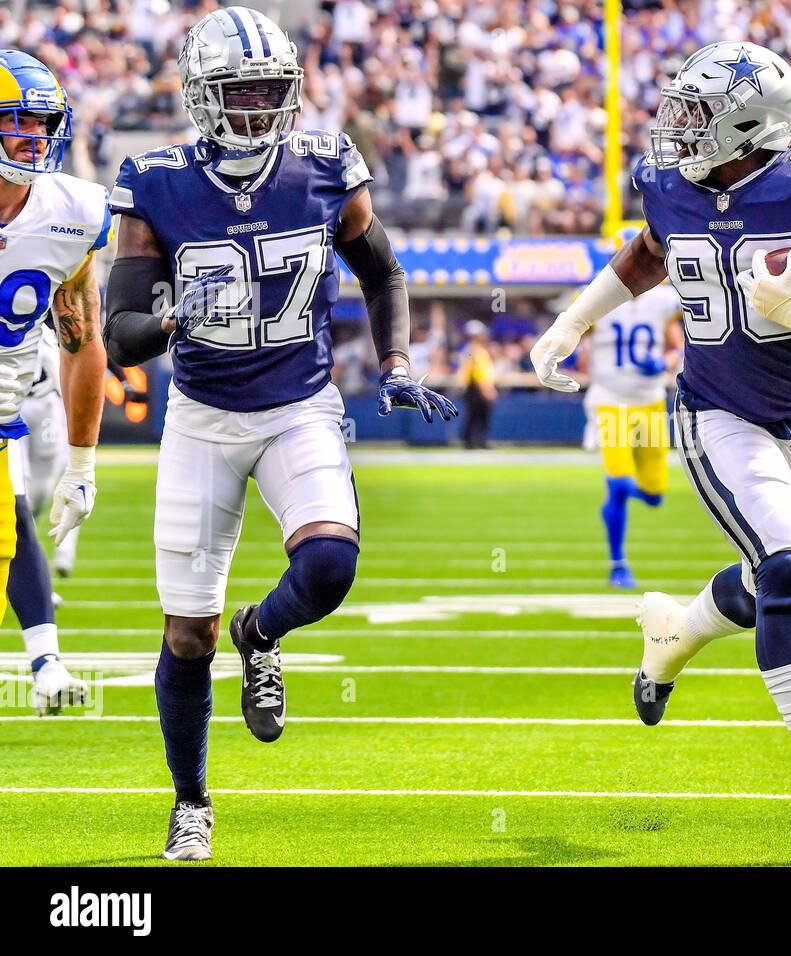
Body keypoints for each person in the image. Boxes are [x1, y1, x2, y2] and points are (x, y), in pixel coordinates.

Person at [530, 41, 791, 846]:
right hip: (719, 417)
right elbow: (648, 253)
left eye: (697, 114)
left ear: (748, 125)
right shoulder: (671, 187)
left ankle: (673, 633)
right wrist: (573, 320)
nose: (677, 128)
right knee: (784, 570)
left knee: (768, 584)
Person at [103, 7, 457, 861]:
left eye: (272, 89)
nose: (260, 107)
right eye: (242, 91)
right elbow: (118, 334)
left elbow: (383, 273)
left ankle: (260, 634)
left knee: (330, 565)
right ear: (201, 95)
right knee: (185, 631)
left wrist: (398, 363)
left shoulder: (328, 164)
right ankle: (192, 801)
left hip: (300, 405)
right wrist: (173, 321)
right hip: (201, 417)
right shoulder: (156, 182)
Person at [0, 50, 109, 716]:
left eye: (44, 126)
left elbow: (82, 340)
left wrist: (83, 463)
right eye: (19, 123)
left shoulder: (69, 213)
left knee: (11, 526)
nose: (34, 140)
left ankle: (45, 660)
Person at [581, 282, 682, 588]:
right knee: (619, 483)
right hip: (610, 399)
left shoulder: (663, 300)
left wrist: (665, 362)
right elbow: (572, 331)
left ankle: (617, 494)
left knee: (654, 495)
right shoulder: (598, 298)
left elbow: (677, 346)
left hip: (649, 400)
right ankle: (618, 563)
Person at [459, 319, 496, 449]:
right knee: (477, 416)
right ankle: (475, 442)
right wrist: (486, 389)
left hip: (474, 387)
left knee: (475, 416)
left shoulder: (472, 350)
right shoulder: (475, 351)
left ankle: (472, 441)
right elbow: (479, 373)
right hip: (476, 388)